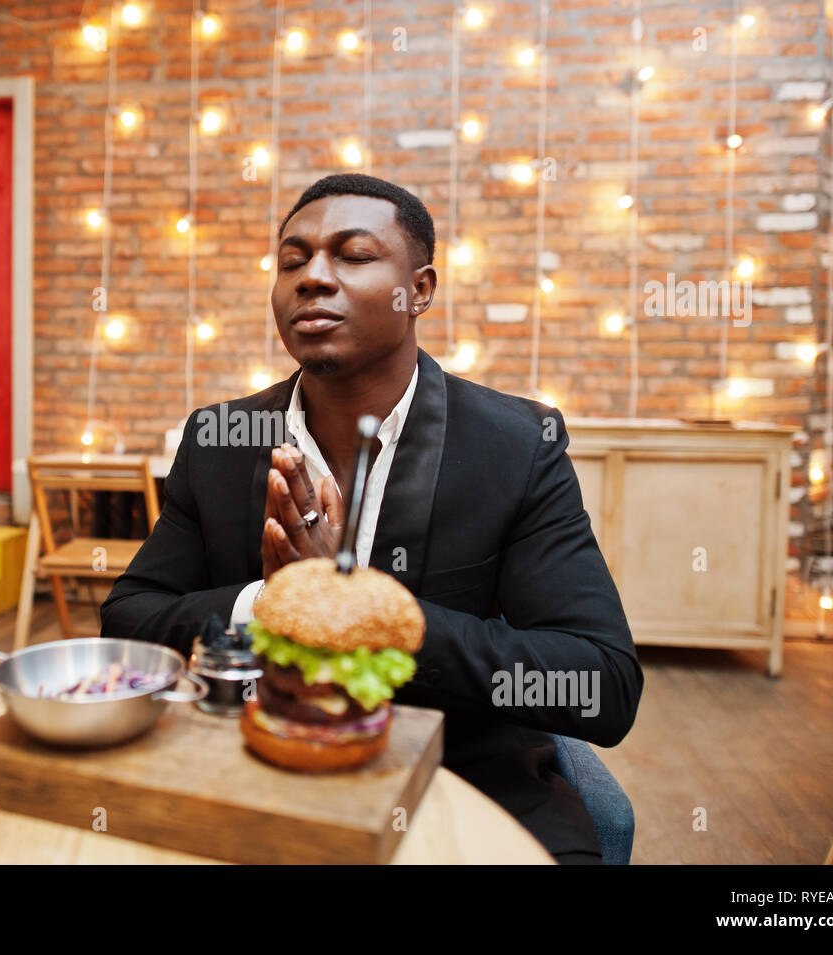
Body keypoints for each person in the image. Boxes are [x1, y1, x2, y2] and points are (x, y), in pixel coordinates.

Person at [100, 173, 643, 863]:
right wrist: (270, 603)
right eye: (291, 260)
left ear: (419, 290)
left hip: (457, 783)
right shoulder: (219, 439)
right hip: (244, 775)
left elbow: (600, 681)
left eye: (352, 255)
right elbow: (128, 616)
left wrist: (366, 614)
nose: (312, 278)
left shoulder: (514, 446)